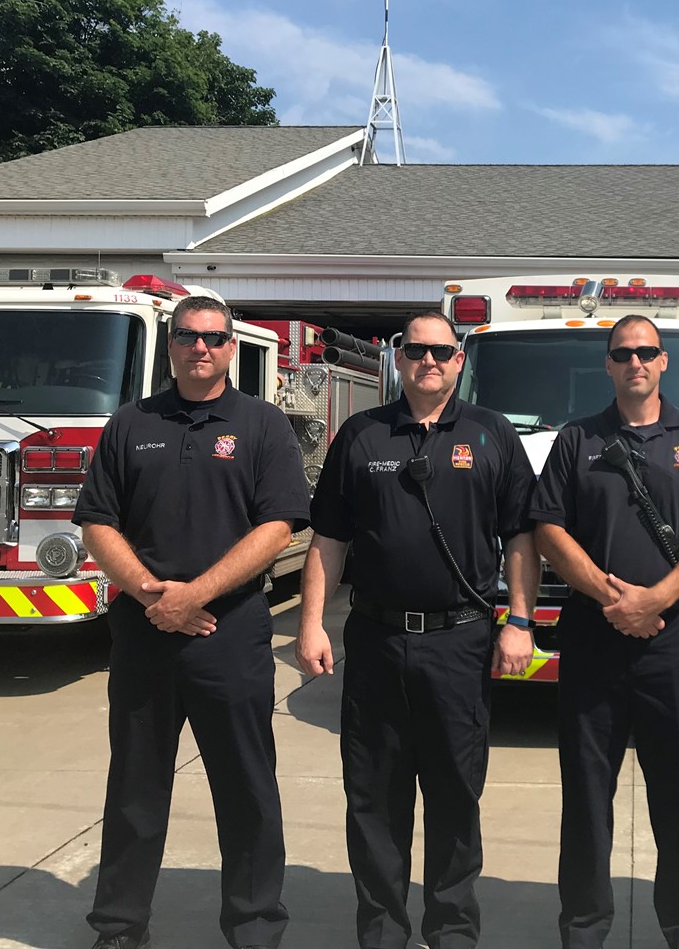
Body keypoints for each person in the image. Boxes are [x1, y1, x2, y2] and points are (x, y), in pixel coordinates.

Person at [294, 310, 540, 949]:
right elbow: (329, 539)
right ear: (399, 358)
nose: (428, 361)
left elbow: (520, 536)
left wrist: (519, 620)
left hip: (460, 642)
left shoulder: (492, 435)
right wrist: (312, 624)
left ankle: (453, 930)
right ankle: (381, 932)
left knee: (456, 794)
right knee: (373, 795)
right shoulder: (361, 435)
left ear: (460, 361)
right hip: (375, 642)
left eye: (442, 352)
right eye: (416, 350)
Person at [72, 293, 311, 949]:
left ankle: (255, 928)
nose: (200, 347)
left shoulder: (263, 426)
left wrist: (194, 595)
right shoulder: (129, 424)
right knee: (134, 788)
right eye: (187, 336)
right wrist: (152, 594)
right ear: (171, 344)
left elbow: (279, 525)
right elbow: (97, 521)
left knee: (246, 790)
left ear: (231, 347)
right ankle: (120, 928)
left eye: (212, 337)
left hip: (229, 634)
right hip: (144, 634)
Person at [530, 315, 679, 949]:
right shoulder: (576, 439)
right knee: (587, 800)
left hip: (673, 642)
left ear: (664, 361)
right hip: (594, 640)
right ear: (609, 364)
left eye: (646, 352)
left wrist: (658, 598)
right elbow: (548, 530)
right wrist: (609, 594)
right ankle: (585, 930)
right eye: (623, 354)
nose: (635, 363)